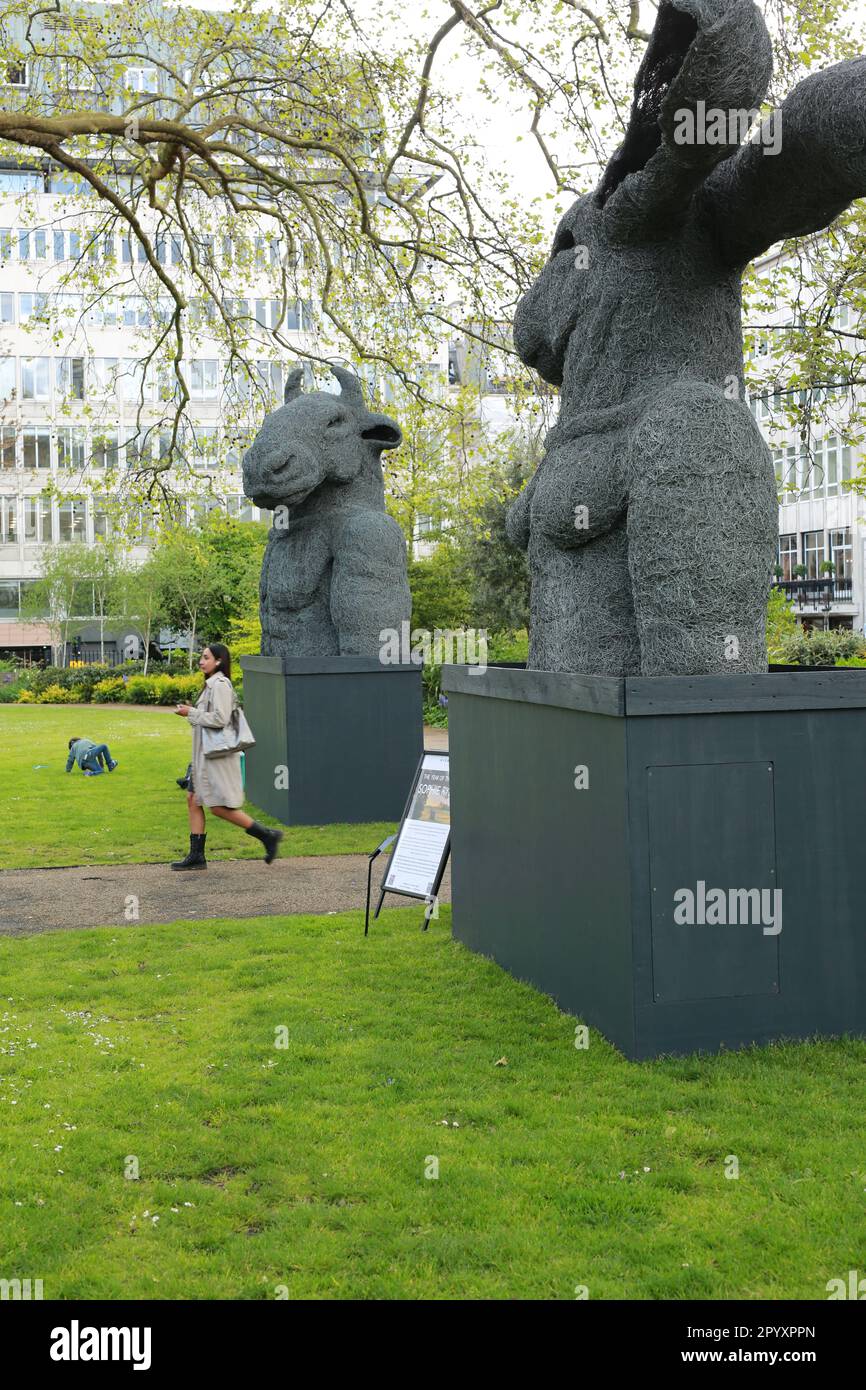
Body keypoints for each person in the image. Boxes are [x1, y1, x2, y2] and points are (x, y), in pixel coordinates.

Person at [170, 642, 283, 870]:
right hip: (203, 756)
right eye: (201, 657)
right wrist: (192, 712)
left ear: (219, 660)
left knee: (218, 807)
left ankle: (267, 836)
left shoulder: (220, 684)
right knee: (193, 799)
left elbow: (220, 719)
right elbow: (209, 716)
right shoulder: (210, 685)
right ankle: (197, 856)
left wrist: (190, 712)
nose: (201, 661)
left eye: (206, 657)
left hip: (216, 757)